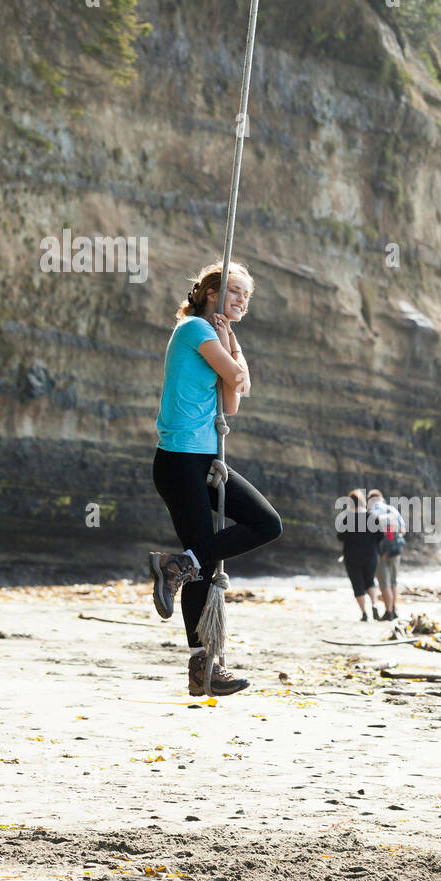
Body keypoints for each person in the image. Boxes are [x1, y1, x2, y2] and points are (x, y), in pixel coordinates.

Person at [148, 260, 282, 696]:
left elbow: (235, 399)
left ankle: (179, 565)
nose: (242, 301)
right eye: (234, 293)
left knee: (265, 524)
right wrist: (228, 343)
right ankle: (203, 663)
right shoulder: (194, 330)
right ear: (210, 295)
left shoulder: (216, 336)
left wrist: (232, 341)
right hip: (179, 461)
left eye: (247, 295)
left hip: (202, 461)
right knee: (203, 563)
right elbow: (238, 378)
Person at [337, 488, 384, 621]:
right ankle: (374, 604)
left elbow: (341, 537)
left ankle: (364, 613)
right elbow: (381, 536)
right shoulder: (373, 517)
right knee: (370, 581)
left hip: (352, 556)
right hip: (371, 555)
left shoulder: (347, 518)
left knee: (358, 585)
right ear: (363, 502)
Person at [367, 488, 406, 621]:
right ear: (382, 498)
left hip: (380, 553)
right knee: (394, 582)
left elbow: (369, 537)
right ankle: (394, 609)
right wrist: (393, 542)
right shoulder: (392, 510)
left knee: (384, 584)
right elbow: (402, 530)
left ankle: (388, 612)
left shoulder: (370, 513)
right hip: (396, 552)